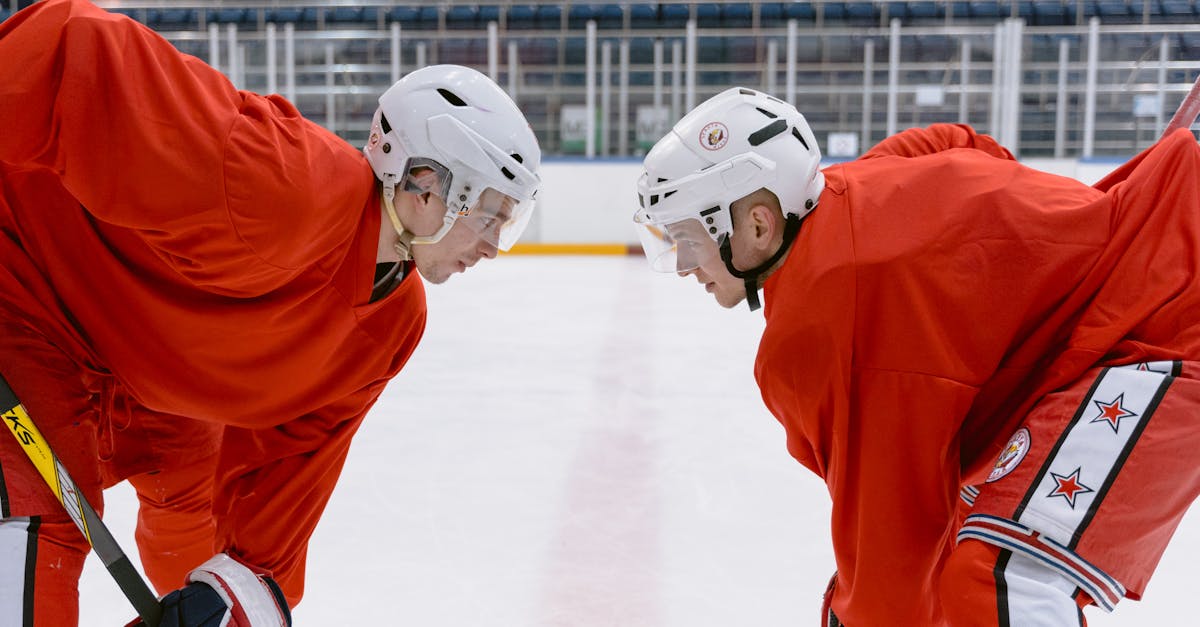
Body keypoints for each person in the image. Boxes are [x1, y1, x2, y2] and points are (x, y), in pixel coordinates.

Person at [0, 0, 540, 625]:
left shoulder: (395, 323)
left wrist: (235, 593)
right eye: (490, 214)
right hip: (32, 291)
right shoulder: (285, 186)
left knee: (199, 543)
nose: (494, 246)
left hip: (155, 368)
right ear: (426, 181)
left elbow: (289, 467)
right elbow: (76, 50)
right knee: (40, 526)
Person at [632, 86, 1200, 625]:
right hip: (1149, 261)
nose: (683, 264)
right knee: (970, 536)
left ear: (757, 222)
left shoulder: (820, 332)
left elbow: (892, 562)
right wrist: (1046, 236)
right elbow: (959, 142)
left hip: (1168, 324)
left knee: (999, 581)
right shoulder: (865, 178)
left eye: (687, 239)